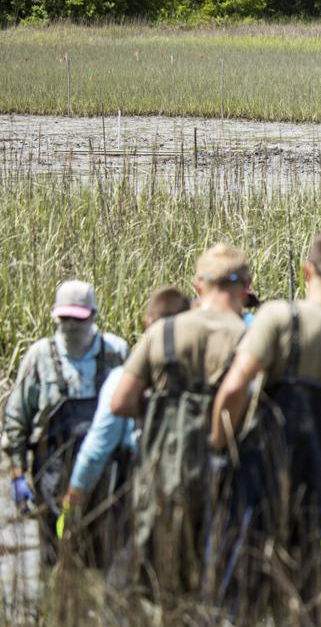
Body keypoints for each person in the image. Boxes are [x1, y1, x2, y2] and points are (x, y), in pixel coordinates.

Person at [210, 229, 321, 627]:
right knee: (312, 623)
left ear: (307, 271)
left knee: (237, 618)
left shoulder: (277, 318)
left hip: (257, 485)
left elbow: (233, 389)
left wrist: (217, 453)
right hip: (320, 491)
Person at [110, 244, 251, 603]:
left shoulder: (163, 333)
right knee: (215, 594)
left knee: (155, 590)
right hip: (223, 488)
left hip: (160, 481)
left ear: (198, 286)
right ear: (245, 287)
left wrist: (163, 413)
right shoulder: (248, 339)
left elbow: (120, 402)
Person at [57, 287, 191, 567]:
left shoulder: (124, 380)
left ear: (146, 323)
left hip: (139, 500)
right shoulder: (208, 373)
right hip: (196, 499)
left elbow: (96, 451)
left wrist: (71, 503)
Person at [3, 280, 128, 567]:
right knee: (54, 555)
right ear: (55, 317)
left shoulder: (115, 353)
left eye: (78, 318)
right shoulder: (40, 356)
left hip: (105, 473)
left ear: (94, 315)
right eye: (65, 318)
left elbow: (134, 419)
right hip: (51, 471)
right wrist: (17, 474)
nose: (71, 325)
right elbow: (16, 419)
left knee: (102, 557)